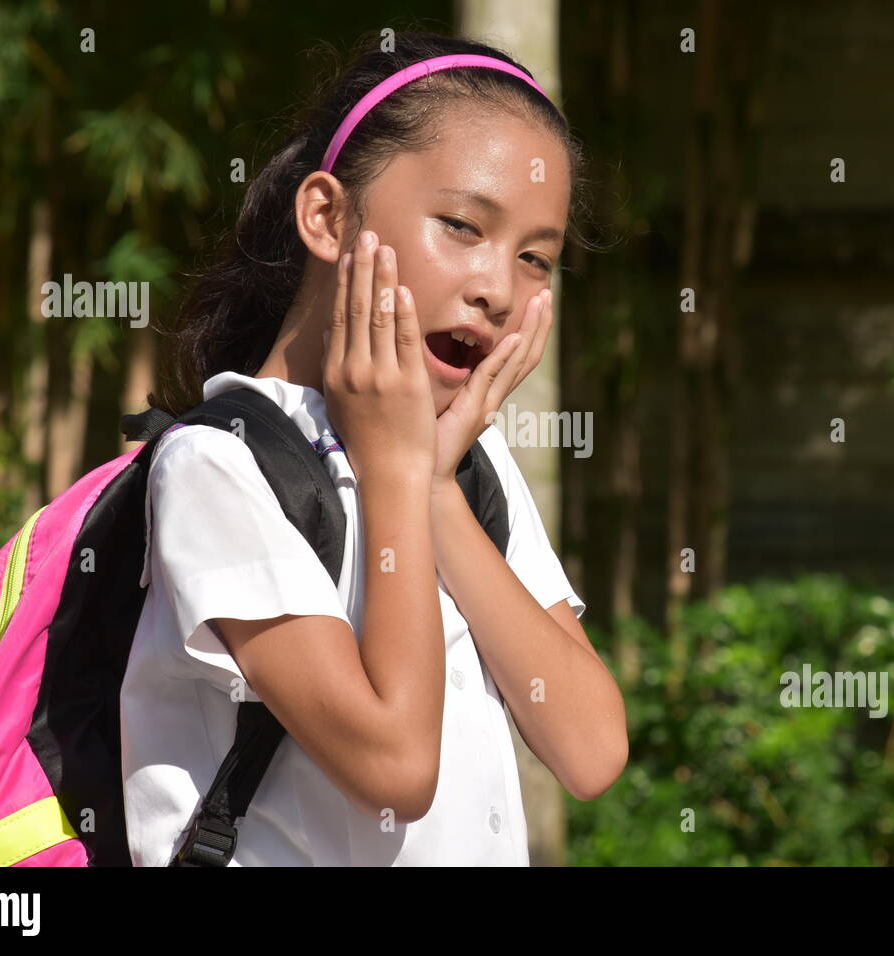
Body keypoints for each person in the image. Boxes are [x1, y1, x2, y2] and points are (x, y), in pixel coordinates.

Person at [119, 29, 628, 866]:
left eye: (536, 258)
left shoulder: (466, 464)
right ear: (327, 216)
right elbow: (394, 767)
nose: (498, 288)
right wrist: (397, 472)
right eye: (462, 225)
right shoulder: (221, 466)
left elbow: (590, 749)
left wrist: (432, 486)